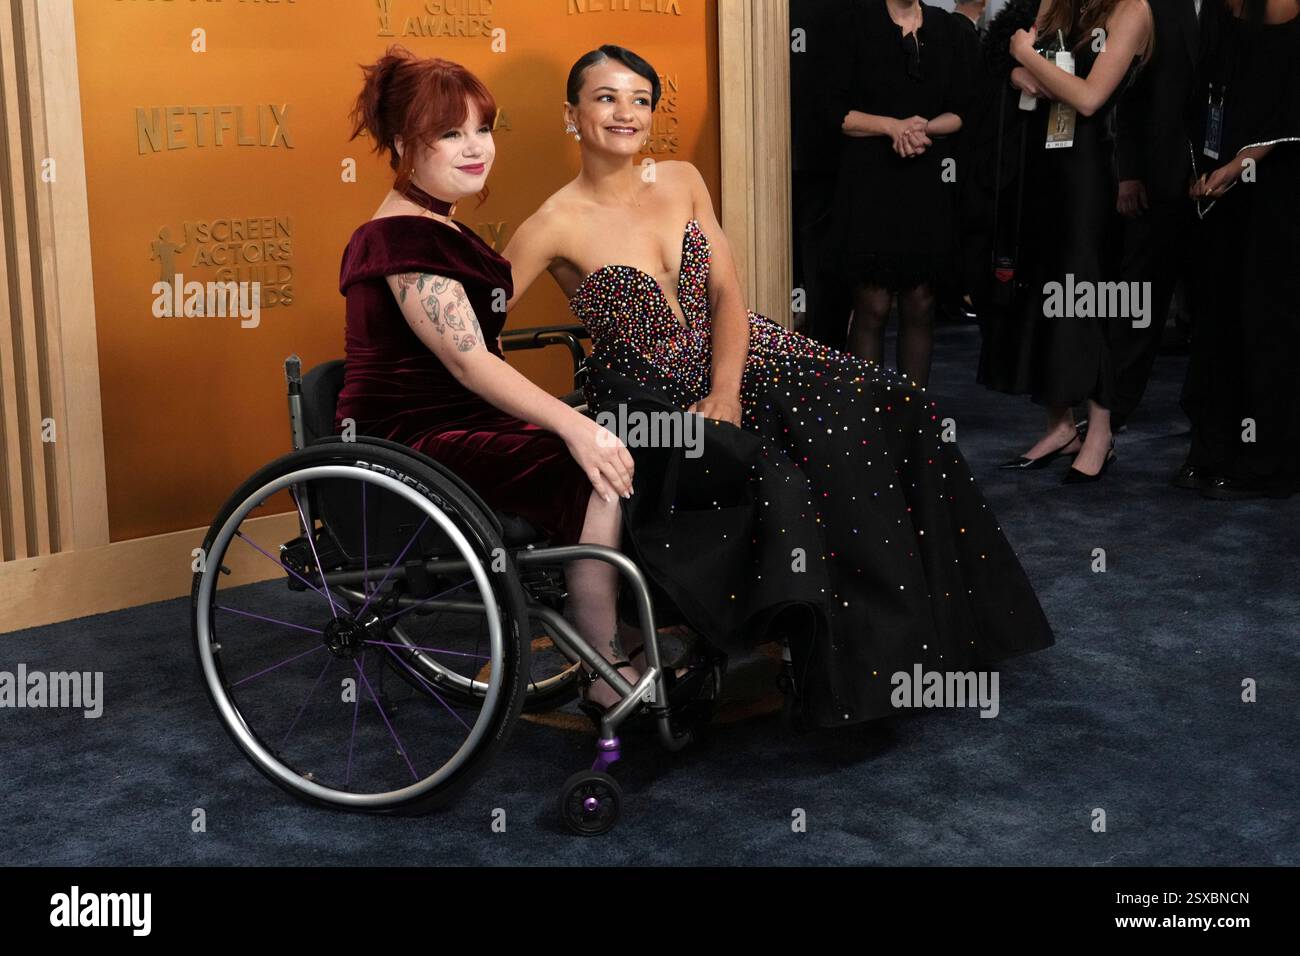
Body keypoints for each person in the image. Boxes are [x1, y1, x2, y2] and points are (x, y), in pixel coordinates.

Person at [503, 45, 1055, 730]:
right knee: (811, 453)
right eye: (606, 97)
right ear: (571, 114)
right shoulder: (550, 223)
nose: (626, 113)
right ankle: (843, 670)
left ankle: (935, 642)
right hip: (651, 394)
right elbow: (471, 338)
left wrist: (728, 388)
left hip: (744, 353)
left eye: (640, 99)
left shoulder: (680, 179)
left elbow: (728, 294)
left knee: (894, 403)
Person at [336, 47, 637, 716]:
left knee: (633, 436)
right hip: (411, 437)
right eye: (449, 134)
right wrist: (574, 425)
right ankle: (604, 667)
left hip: (461, 417)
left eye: (481, 129)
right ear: (400, 144)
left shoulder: (438, 227)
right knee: (595, 463)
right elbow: (471, 361)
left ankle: (634, 635)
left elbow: (484, 357)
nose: (475, 149)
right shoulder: (397, 238)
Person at [978, 0, 1153, 482]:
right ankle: (1059, 427)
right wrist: (1017, 73)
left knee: (1088, 300)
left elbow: (1090, 97)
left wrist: (1026, 58)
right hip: (1044, 164)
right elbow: (999, 53)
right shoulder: (1055, 1)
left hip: (1095, 175)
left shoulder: (1132, 10)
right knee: (1042, 296)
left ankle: (1100, 432)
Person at [820, 0, 976, 386]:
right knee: (872, 305)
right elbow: (834, 112)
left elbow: (962, 109)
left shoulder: (948, 29)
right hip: (869, 179)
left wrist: (921, 130)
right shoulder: (851, 22)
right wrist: (892, 126)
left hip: (926, 178)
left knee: (920, 303)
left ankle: (913, 416)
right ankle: (869, 421)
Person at [1180, 0, 1300, 499]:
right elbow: (1205, 91)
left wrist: (1246, 159)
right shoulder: (1218, 12)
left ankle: (1269, 462)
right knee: (1217, 316)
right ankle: (1214, 449)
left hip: (1279, 185)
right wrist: (1201, 166)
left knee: (1265, 320)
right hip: (1219, 186)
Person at [1110, 0, 1209, 433]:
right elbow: (1130, 96)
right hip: (1158, 178)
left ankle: (1208, 415)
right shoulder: (1154, 6)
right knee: (1140, 300)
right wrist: (1127, 173)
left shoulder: (1243, 9)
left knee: (1213, 305)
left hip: (1223, 179)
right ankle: (1112, 410)